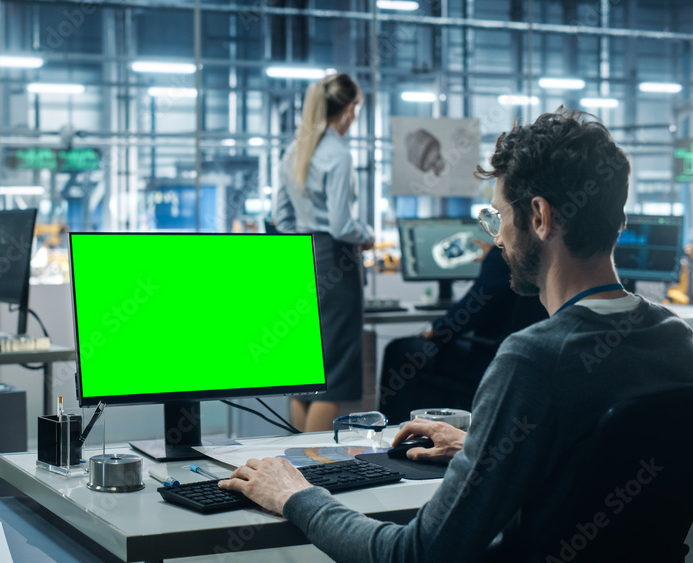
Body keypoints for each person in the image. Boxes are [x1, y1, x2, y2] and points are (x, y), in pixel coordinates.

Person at [220, 108, 693, 561]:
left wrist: (298, 495)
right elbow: (592, 471)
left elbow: (415, 555)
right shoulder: (678, 340)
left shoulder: (534, 359)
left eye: (497, 219)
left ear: (540, 217)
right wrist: (479, 447)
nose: (498, 239)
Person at [274, 73, 374, 432]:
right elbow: (341, 224)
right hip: (337, 259)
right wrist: (369, 235)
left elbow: (281, 218)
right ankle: (314, 468)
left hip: (300, 258)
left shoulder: (294, 151)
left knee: (306, 371)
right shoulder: (338, 154)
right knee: (334, 373)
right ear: (348, 110)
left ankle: (296, 465)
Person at [379, 239, 549, 423]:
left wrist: (437, 329)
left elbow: (471, 308)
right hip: (527, 353)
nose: (497, 237)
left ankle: (397, 431)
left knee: (402, 350)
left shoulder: (504, 255)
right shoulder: (547, 252)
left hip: (490, 357)